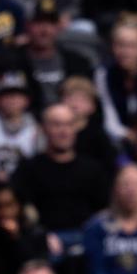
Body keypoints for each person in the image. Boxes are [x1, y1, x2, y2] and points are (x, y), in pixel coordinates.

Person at [11, 104, 113, 251]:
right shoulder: (28, 169)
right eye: (57, 125)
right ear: (43, 128)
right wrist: (40, 236)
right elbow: (19, 211)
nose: (64, 131)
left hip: (87, 240)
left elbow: (105, 212)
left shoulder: (93, 169)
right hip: (44, 242)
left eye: (69, 125)